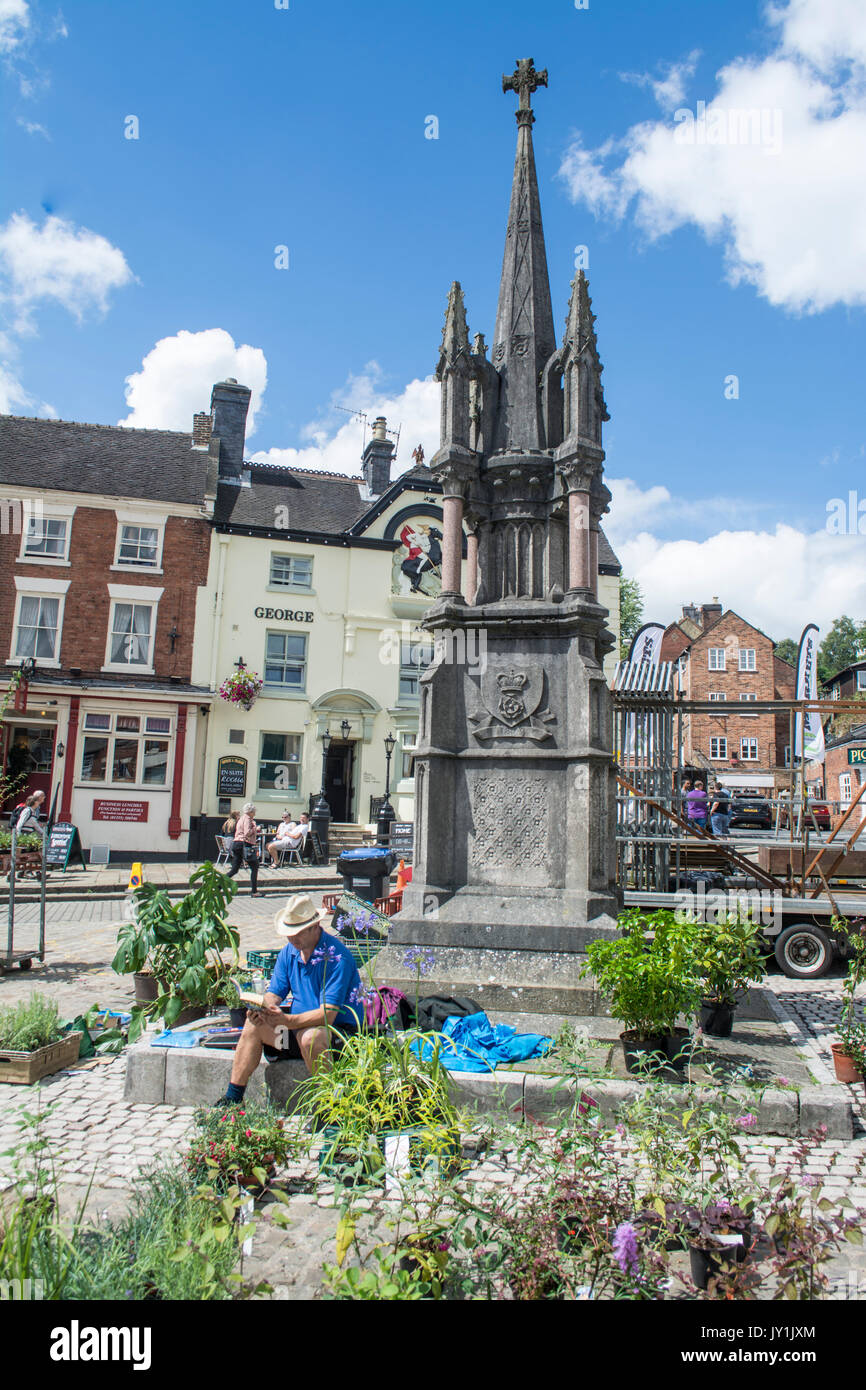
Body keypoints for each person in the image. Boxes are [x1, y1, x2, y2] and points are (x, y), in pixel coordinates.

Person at [215, 894, 365, 1106]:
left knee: (310, 1037)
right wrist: (261, 1008)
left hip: (338, 1037)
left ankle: (330, 1105)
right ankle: (233, 1097)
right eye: (289, 934)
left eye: (297, 934)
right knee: (253, 1025)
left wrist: (287, 1021)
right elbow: (275, 993)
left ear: (315, 927)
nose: (292, 939)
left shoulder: (336, 957)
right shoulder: (290, 952)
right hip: (293, 1033)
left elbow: (328, 1014)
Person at [225, 801, 260, 896]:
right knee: (255, 867)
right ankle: (254, 891)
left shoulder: (240, 819)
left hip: (236, 844)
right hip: (244, 844)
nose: (255, 814)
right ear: (251, 812)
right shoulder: (248, 819)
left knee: (234, 869)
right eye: (254, 812)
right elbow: (247, 833)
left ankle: (218, 886)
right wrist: (255, 829)